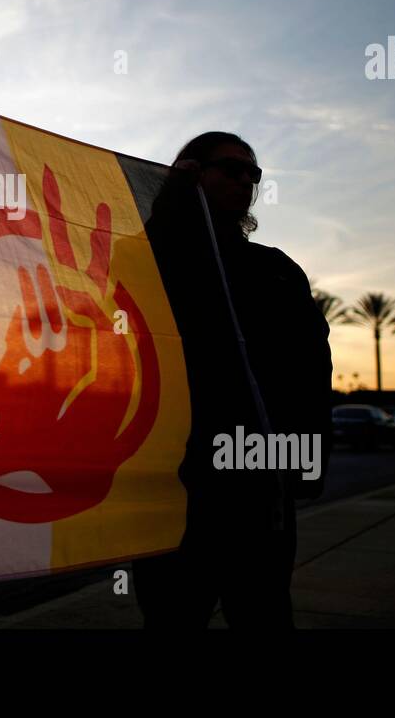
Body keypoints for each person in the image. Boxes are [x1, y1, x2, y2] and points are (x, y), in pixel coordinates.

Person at [133, 132, 331, 628]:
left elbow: (311, 372)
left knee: (264, 612)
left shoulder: (276, 269)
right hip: (177, 478)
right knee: (173, 616)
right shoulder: (148, 260)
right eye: (231, 169)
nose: (246, 181)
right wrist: (175, 198)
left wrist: (305, 462)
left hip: (260, 481)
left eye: (254, 173)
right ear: (192, 172)